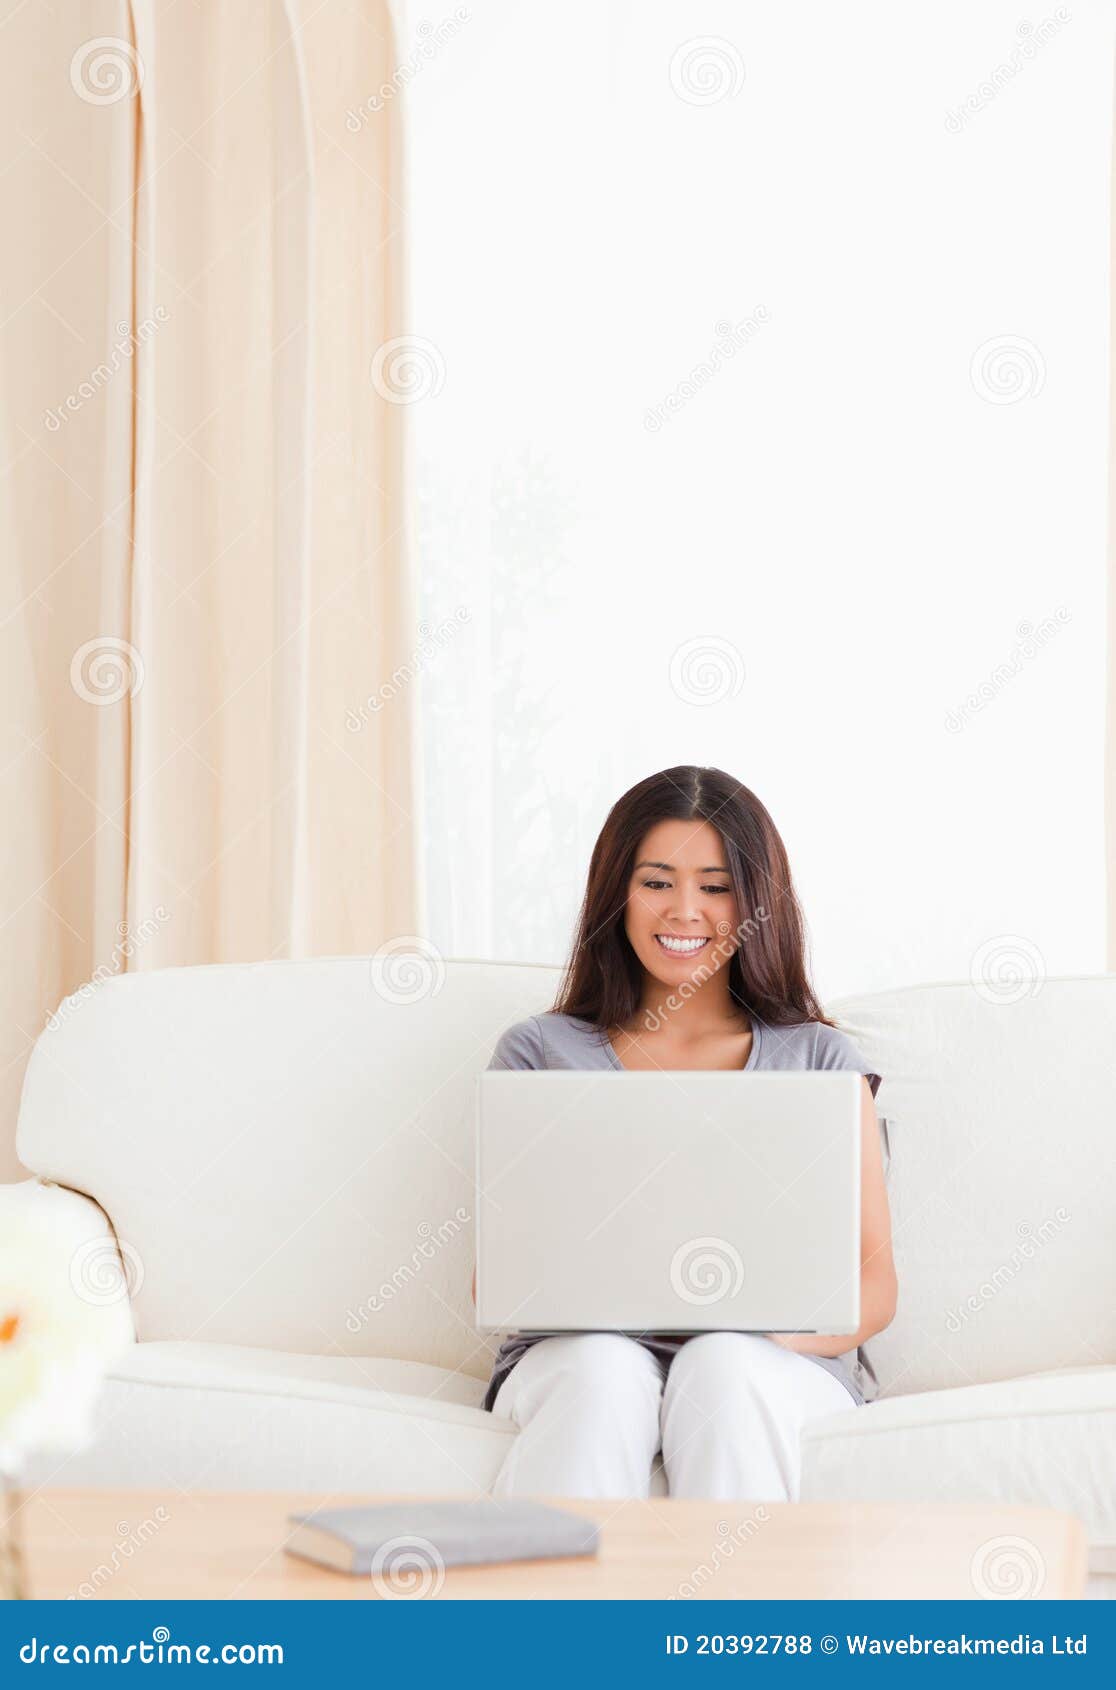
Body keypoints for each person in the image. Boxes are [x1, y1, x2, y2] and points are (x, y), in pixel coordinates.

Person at [472, 764, 896, 1502]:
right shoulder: (538, 1053)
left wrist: (746, 1336)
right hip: (577, 1355)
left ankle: (731, 1620)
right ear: (618, 894)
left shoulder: (820, 1060)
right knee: (603, 1375)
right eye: (658, 881)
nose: (685, 911)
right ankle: (555, 1619)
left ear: (755, 901)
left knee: (721, 1369)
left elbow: (874, 1286)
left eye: (716, 884)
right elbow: (499, 1282)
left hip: (770, 1362)